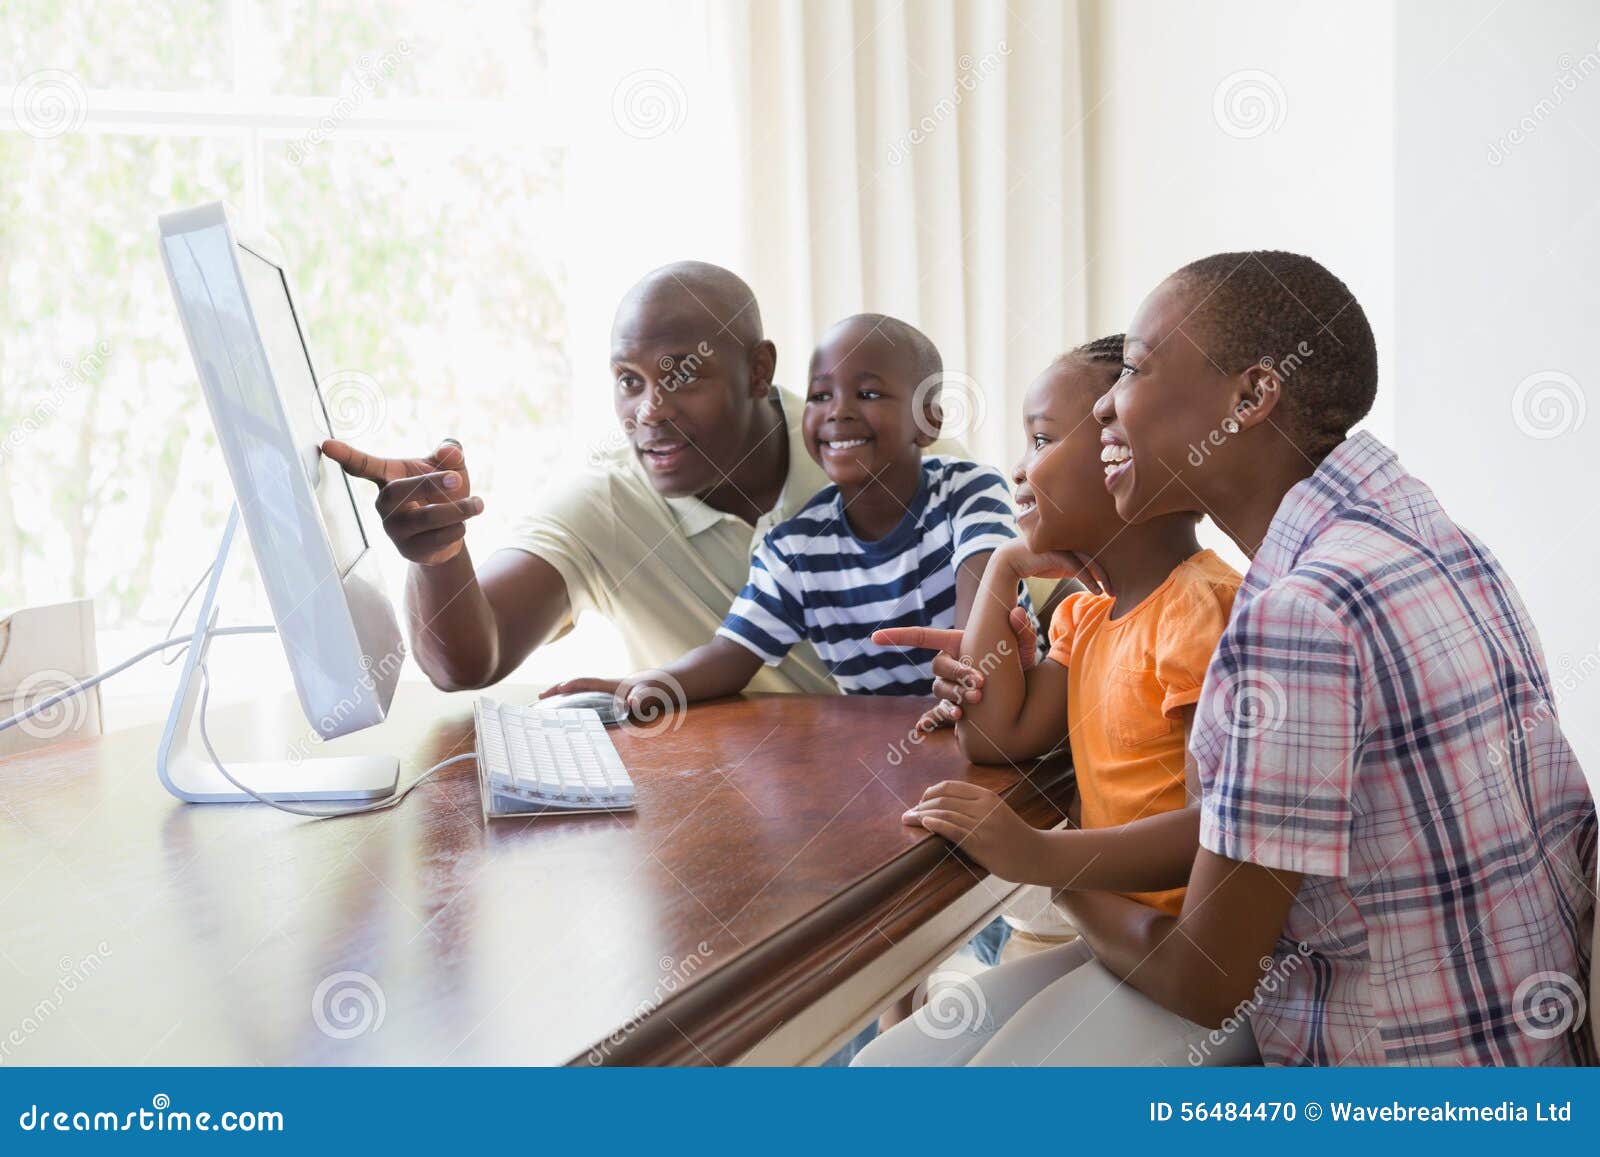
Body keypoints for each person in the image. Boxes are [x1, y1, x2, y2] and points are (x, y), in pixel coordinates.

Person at [899, 251, 1596, 1066]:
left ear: (1254, 396)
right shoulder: (1423, 533)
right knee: (905, 1068)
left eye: (1132, 371)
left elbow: (1206, 976)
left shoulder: (1298, 616)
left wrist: (1047, 863)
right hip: (1537, 1042)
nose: (1107, 407)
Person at [855, 335, 1248, 1065]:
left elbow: (1220, 826)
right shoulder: (1084, 615)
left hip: (1189, 957)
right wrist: (1006, 566)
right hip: (1113, 935)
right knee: (886, 1065)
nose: (1017, 467)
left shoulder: (1199, 605)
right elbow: (997, 734)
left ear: (1121, 453)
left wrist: (1043, 854)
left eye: (1039, 438)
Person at [323, 261, 844, 696]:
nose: (650, 412)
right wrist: (438, 557)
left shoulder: (895, 461)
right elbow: (468, 664)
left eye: (682, 376)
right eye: (629, 382)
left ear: (758, 370)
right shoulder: (606, 501)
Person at [540, 313, 1032, 709]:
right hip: (891, 751)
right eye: (820, 395)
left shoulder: (969, 491)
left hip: (1004, 713)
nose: (837, 411)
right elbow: (729, 656)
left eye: (867, 394)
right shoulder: (795, 547)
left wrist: (967, 676)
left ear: (928, 422)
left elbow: (982, 625)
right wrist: (640, 687)